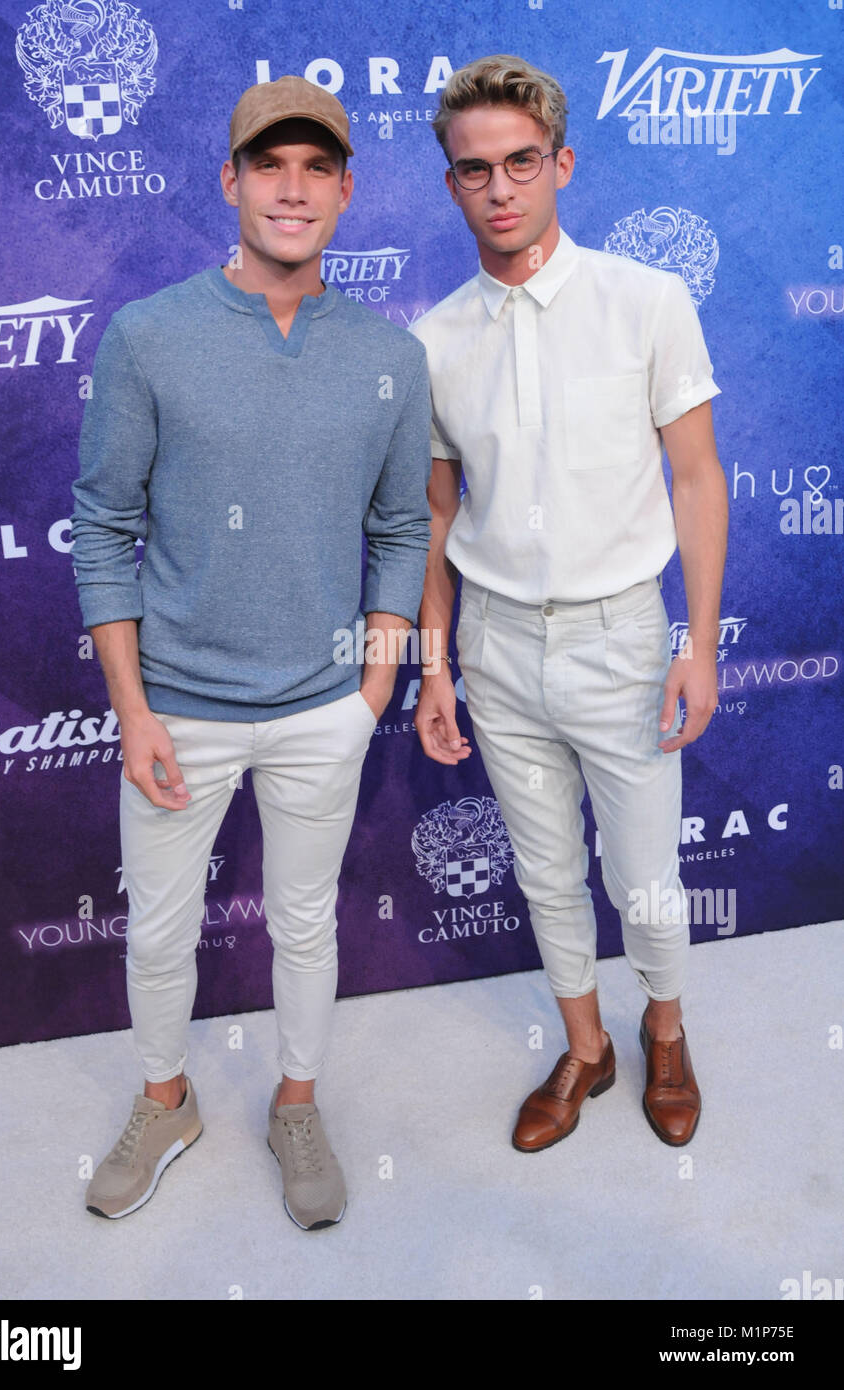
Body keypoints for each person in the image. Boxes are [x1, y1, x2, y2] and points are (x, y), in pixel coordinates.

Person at [70, 75, 432, 1226]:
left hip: (324, 704)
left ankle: (295, 1099)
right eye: (267, 165)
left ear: (344, 192)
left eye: (314, 167)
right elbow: (102, 525)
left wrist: (373, 685)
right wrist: (132, 709)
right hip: (179, 705)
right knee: (164, 929)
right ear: (229, 182)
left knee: (306, 920)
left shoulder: (388, 354)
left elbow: (401, 525)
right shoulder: (149, 335)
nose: (290, 187)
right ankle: (166, 1098)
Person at [411, 55, 728, 1152]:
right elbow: (436, 521)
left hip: (621, 636)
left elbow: (695, 478)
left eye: (519, 163)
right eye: (473, 170)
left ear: (559, 164)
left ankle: (667, 1032)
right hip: (493, 646)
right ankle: (585, 1048)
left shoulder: (646, 302)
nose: (498, 188)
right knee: (544, 867)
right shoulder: (433, 339)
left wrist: (695, 642)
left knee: (643, 872)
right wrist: (436, 665)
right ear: (450, 183)